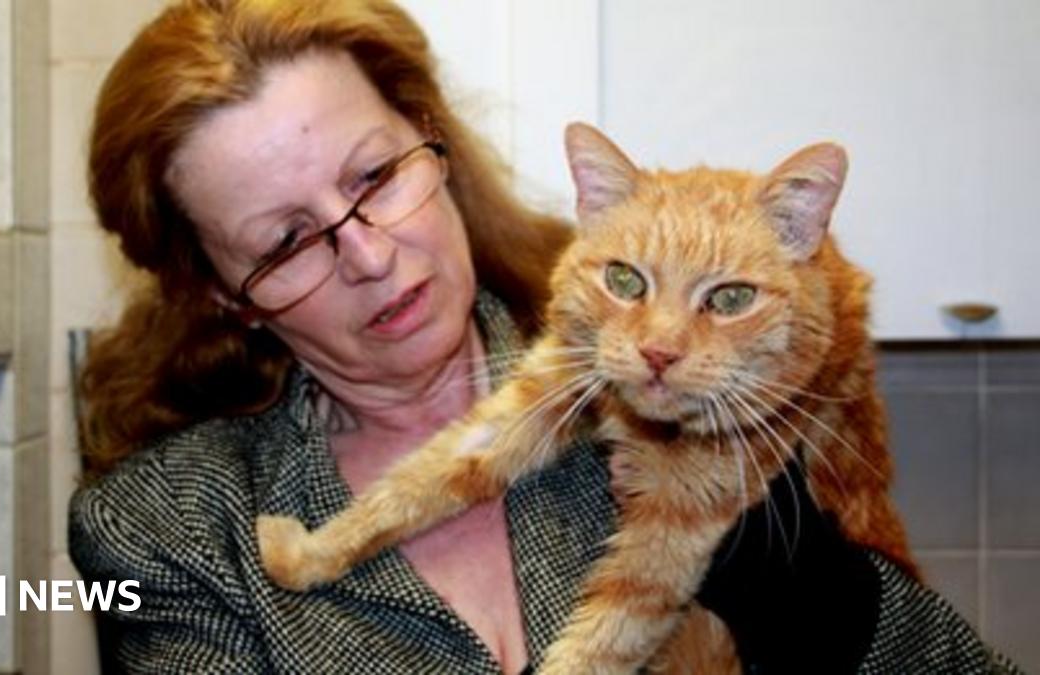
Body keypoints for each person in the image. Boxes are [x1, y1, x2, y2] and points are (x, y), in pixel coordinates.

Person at [68, 1, 1019, 673]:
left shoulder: (693, 386)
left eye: (373, 177)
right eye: (285, 241)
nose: (366, 251)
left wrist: (830, 608)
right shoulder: (170, 526)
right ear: (222, 292)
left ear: (433, 144)